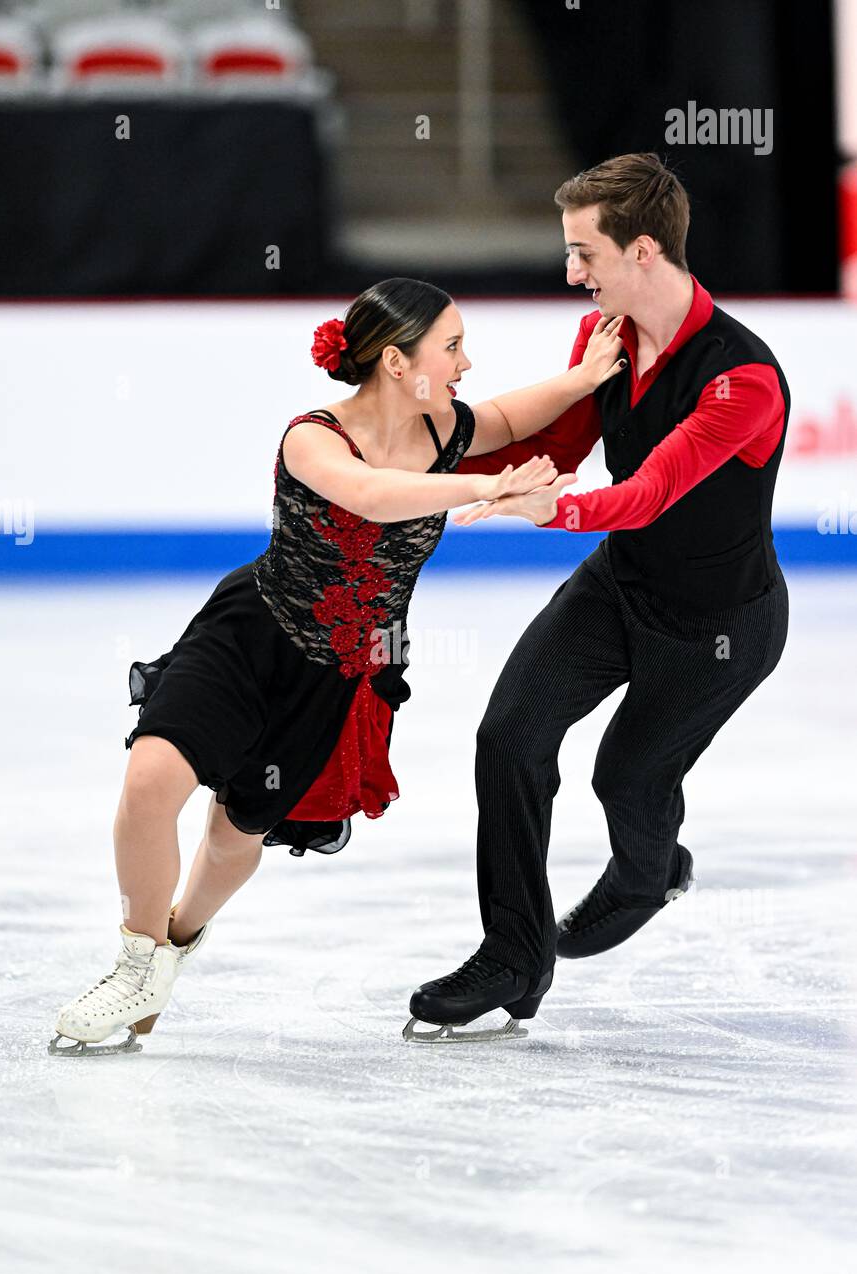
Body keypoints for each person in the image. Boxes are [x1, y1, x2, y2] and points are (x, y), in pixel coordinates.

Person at [48, 276, 625, 1055]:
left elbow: (518, 411)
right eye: (451, 346)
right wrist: (491, 484)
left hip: (342, 671)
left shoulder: (449, 425)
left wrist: (586, 377)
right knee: (151, 783)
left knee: (233, 830)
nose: (466, 362)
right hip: (252, 635)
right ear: (396, 361)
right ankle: (135, 961)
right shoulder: (313, 437)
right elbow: (375, 495)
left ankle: (174, 945)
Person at [405, 153, 790, 1044]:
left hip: (718, 627)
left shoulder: (744, 379)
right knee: (510, 738)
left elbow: (651, 491)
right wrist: (431, 474)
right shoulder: (603, 338)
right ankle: (513, 956)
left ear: (644, 250)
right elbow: (566, 443)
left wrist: (550, 510)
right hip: (620, 586)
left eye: (585, 254)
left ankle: (650, 874)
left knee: (626, 776)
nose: (571, 272)